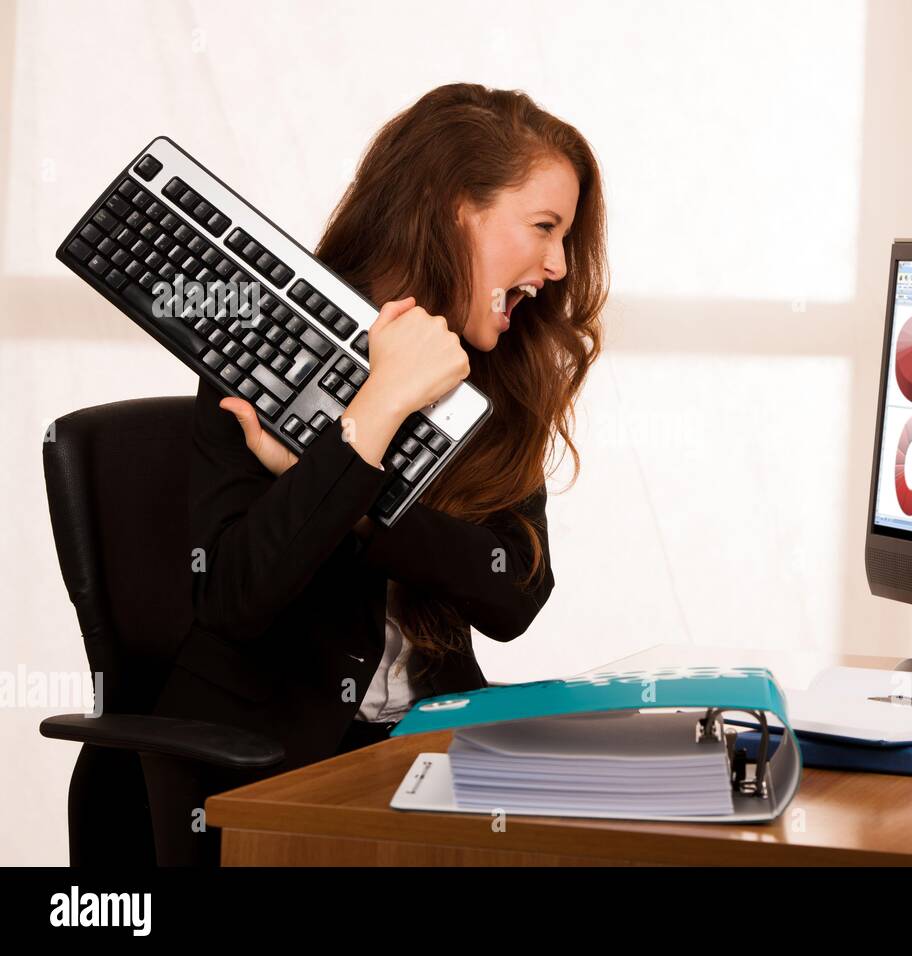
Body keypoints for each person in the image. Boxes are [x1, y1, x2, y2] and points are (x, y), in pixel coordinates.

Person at [140, 83, 608, 866]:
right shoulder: (263, 343)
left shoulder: (499, 377)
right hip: (269, 769)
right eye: (543, 228)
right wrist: (374, 414)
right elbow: (235, 598)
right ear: (457, 208)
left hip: (422, 757)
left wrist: (355, 499)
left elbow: (513, 592)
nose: (558, 266)